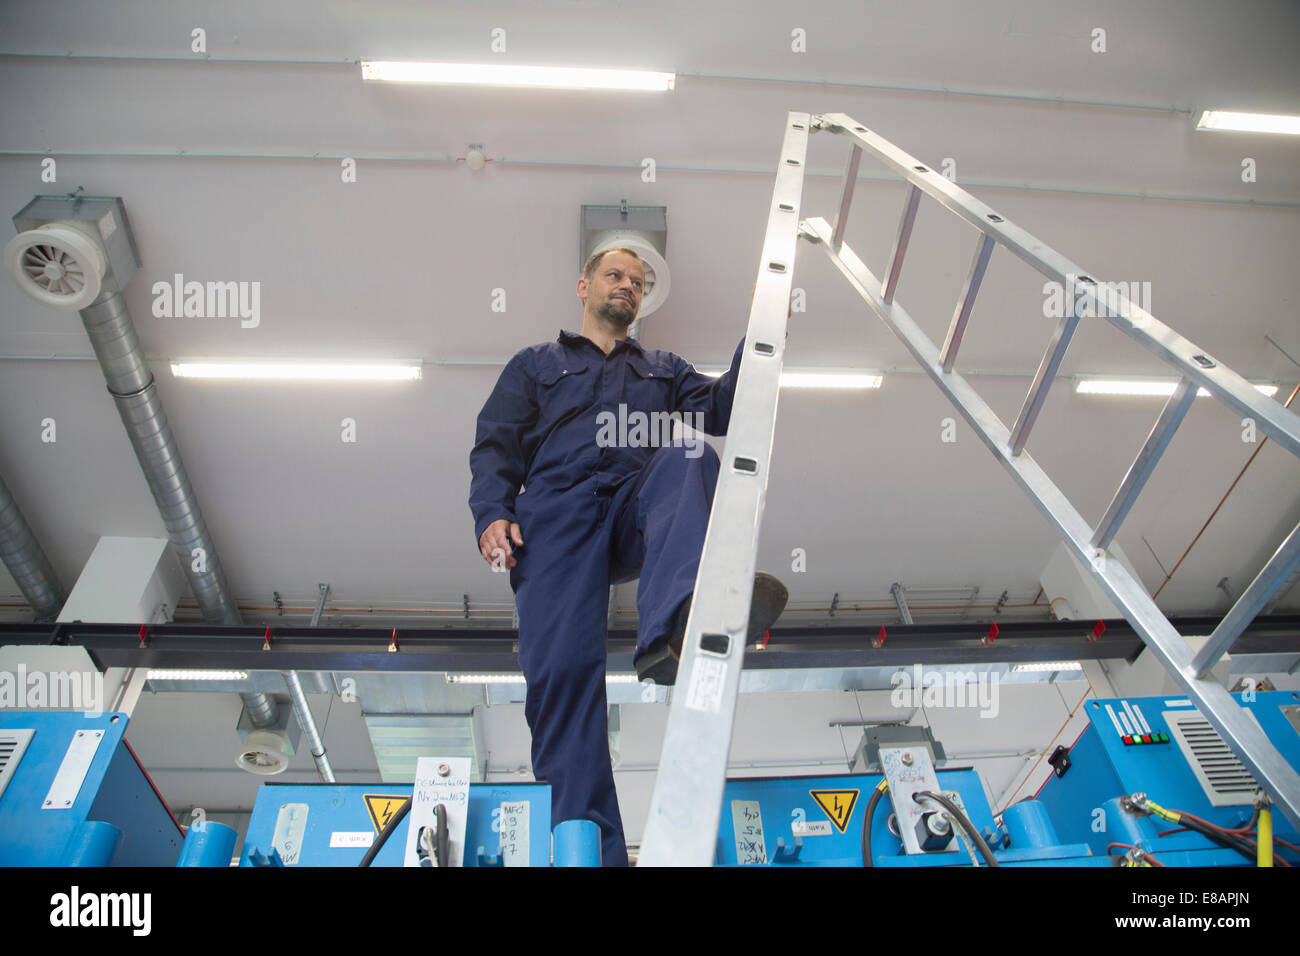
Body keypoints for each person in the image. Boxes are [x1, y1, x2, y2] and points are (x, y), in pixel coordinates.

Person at [469, 247, 787, 866]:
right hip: (553, 522)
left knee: (692, 455)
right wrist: (492, 514)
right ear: (584, 284)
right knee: (562, 677)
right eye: (616, 276)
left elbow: (721, 408)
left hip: (630, 509)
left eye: (638, 283)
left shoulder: (662, 369)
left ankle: (680, 622)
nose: (628, 287)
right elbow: (494, 446)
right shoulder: (537, 364)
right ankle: (588, 848)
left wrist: (763, 332)